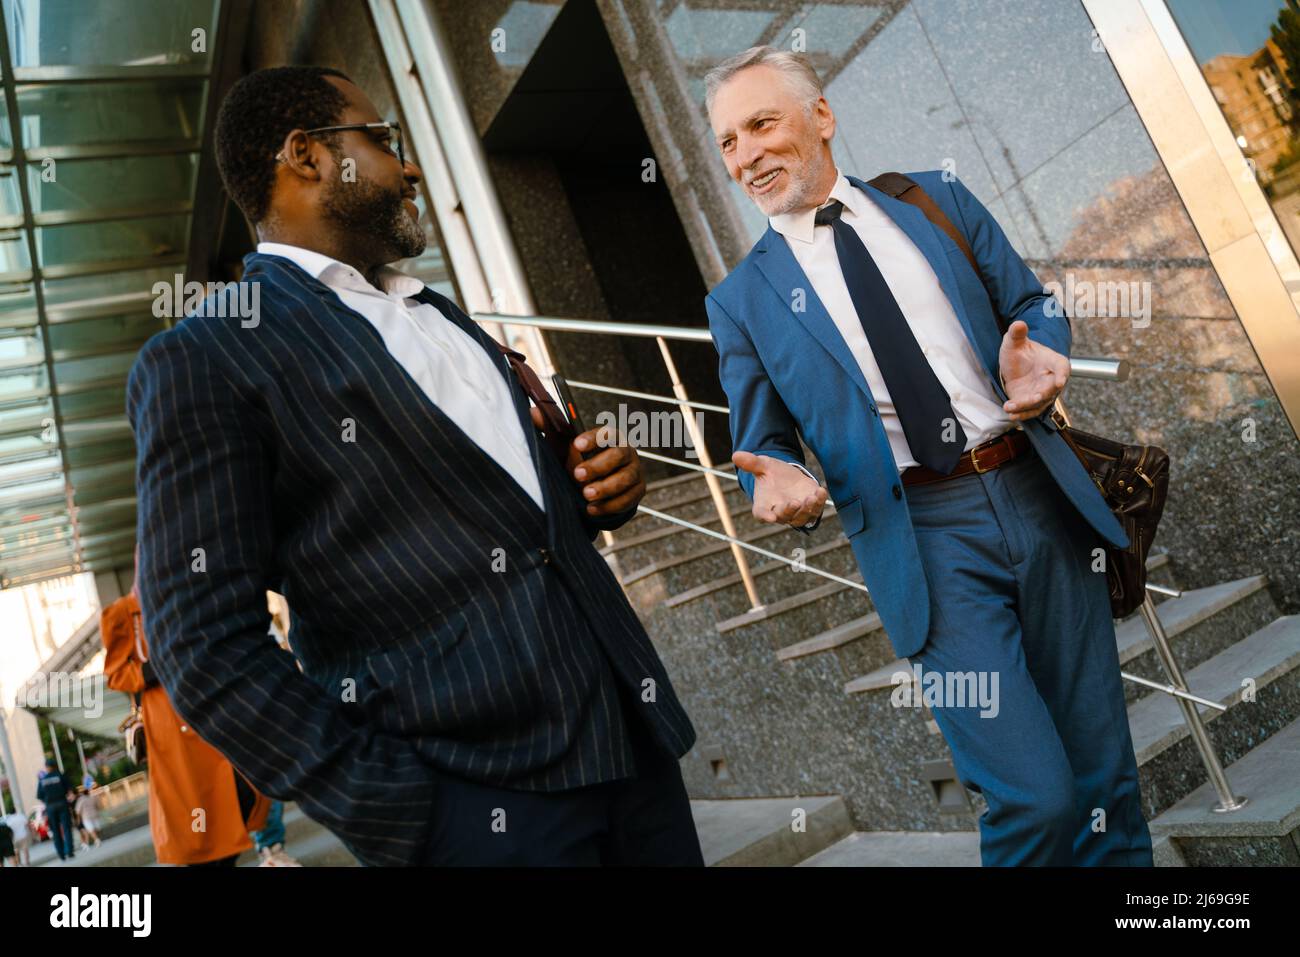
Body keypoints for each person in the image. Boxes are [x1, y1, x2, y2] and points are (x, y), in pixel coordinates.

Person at [125, 66, 701, 867]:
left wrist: (598, 493)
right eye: (383, 139)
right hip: (474, 804)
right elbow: (203, 644)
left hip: (634, 748)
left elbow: (496, 515)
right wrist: (403, 811)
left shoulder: (436, 311)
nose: (411, 165)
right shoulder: (210, 354)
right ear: (308, 157)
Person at [703, 46, 1153, 866]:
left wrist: (1044, 350)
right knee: (1034, 799)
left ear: (823, 118)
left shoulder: (935, 200)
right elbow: (760, 441)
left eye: (762, 124)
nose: (746, 155)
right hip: (924, 536)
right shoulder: (739, 301)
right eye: (728, 142)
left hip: (1036, 491)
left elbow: (1031, 302)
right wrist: (776, 478)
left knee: (1103, 780)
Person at [102, 566, 272, 866]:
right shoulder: (122, 613)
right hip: (170, 725)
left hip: (210, 707)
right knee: (196, 815)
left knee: (243, 792)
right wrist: (154, 669)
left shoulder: (185, 598)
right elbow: (115, 675)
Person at [35, 759, 77, 862]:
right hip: (62, 803)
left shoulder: (42, 780)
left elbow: (39, 796)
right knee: (66, 828)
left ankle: (61, 854)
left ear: (47, 767)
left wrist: (47, 800)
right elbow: (70, 789)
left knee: (55, 831)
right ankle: (70, 851)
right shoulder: (60, 776)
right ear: (55, 766)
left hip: (50, 806)